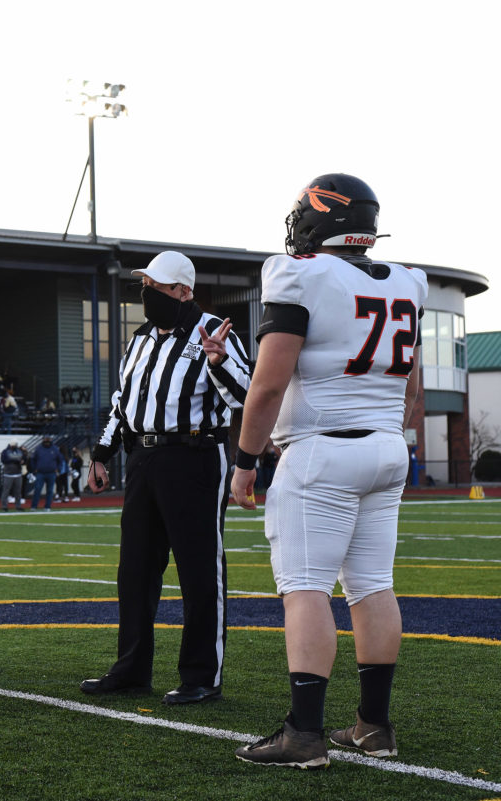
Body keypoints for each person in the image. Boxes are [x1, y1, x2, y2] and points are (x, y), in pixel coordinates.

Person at [231, 174, 427, 769]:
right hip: (387, 449)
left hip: (322, 452)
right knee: (372, 584)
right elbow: (410, 388)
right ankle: (374, 727)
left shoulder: (302, 273)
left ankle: (305, 735)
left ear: (318, 218)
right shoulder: (406, 282)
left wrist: (244, 464)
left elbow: (266, 385)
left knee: (306, 587)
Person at [81, 250, 251, 706]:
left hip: (195, 455)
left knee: (199, 570)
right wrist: (102, 452)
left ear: (183, 291)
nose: (146, 293)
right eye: (145, 286)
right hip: (143, 457)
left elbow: (248, 396)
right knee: (134, 571)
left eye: (156, 287)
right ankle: (131, 668)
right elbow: (124, 401)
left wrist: (218, 363)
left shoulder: (214, 331)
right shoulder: (139, 340)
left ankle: (202, 675)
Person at [28, 436, 60, 510]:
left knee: (50, 491)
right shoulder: (38, 449)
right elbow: (33, 459)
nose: (47, 441)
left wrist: (58, 469)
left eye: (48, 439)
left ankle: (47, 506)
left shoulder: (55, 449)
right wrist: (34, 468)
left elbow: (60, 460)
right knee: (37, 489)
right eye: (46, 439)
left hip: (51, 473)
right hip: (40, 473)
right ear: (43, 440)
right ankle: (34, 506)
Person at [0, 440, 26, 511]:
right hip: (8, 474)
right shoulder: (5, 452)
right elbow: (4, 460)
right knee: (6, 491)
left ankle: (18, 506)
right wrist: (16, 460)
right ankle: (4, 506)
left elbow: (24, 459)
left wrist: (20, 460)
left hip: (18, 474)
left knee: (18, 492)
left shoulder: (19, 451)